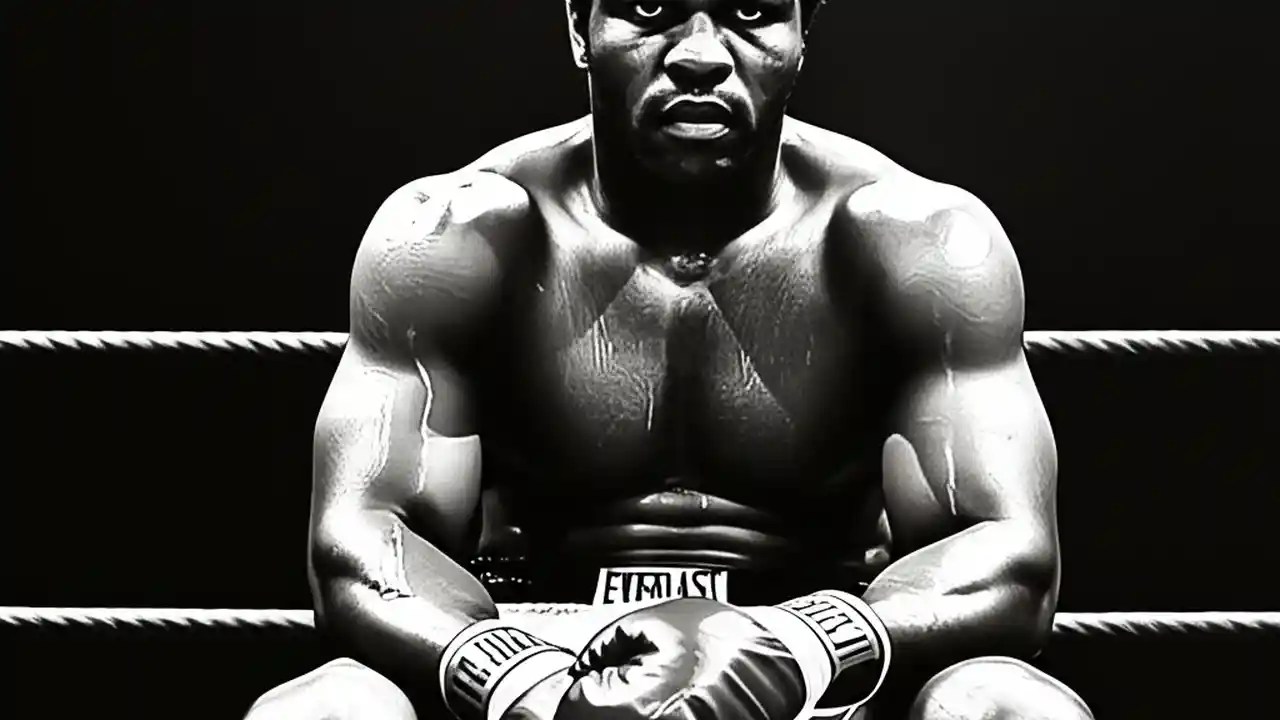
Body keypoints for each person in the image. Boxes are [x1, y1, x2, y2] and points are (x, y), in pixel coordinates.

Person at [245, 1, 1094, 719]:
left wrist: (790, 650)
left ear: (805, 35)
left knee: (1010, 706)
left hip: (818, 670)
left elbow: (1010, 555)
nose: (697, 53)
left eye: (753, 10)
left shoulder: (917, 244)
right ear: (580, 26)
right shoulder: (456, 236)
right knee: (323, 712)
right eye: (648, 9)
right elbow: (361, 541)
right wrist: (519, 677)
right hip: (527, 649)